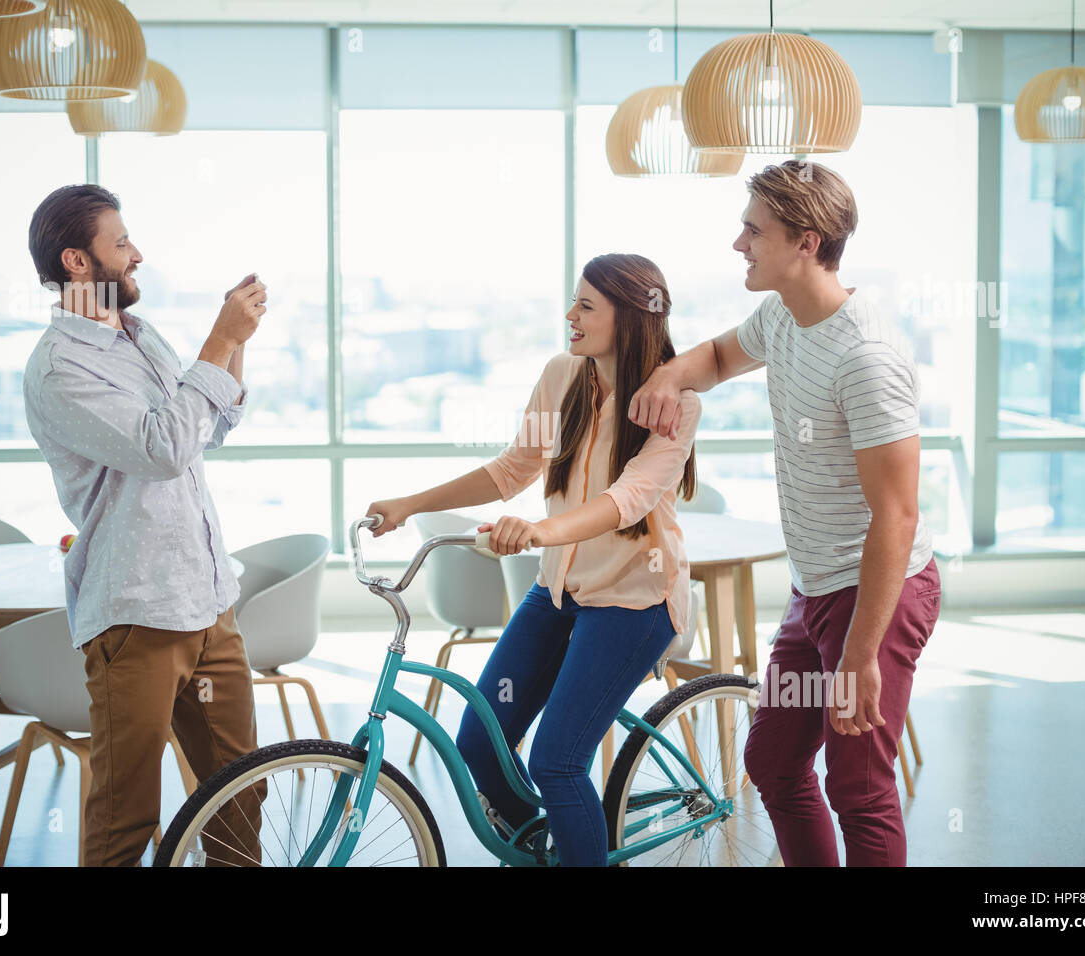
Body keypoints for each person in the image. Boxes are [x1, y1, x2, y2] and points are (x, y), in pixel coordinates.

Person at [628, 160, 941, 867]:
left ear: (806, 242)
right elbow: (714, 357)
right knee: (772, 760)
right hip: (817, 586)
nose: (739, 244)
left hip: (874, 593)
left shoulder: (865, 356)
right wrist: (668, 376)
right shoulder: (783, 316)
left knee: (858, 789)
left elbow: (896, 516)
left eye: (752, 230)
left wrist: (861, 657)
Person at [366, 253, 700, 866]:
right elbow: (512, 469)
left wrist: (539, 531)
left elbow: (624, 501)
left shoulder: (673, 404)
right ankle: (556, 845)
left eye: (586, 306)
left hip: (635, 603)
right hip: (558, 594)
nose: (570, 315)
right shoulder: (562, 375)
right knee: (480, 743)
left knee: (558, 760)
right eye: (574, 301)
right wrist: (411, 504)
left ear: (628, 319)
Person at [21, 184, 268, 866]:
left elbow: (206, 429)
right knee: (126, 816)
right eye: (121, 243)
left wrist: (235, 345)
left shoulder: (137, 335)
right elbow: (160, 450)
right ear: (76, 261)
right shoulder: (58, 368)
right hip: (136, 614)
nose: (137, 255)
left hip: (208, 600)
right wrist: (220, 338)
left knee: (240, 795)